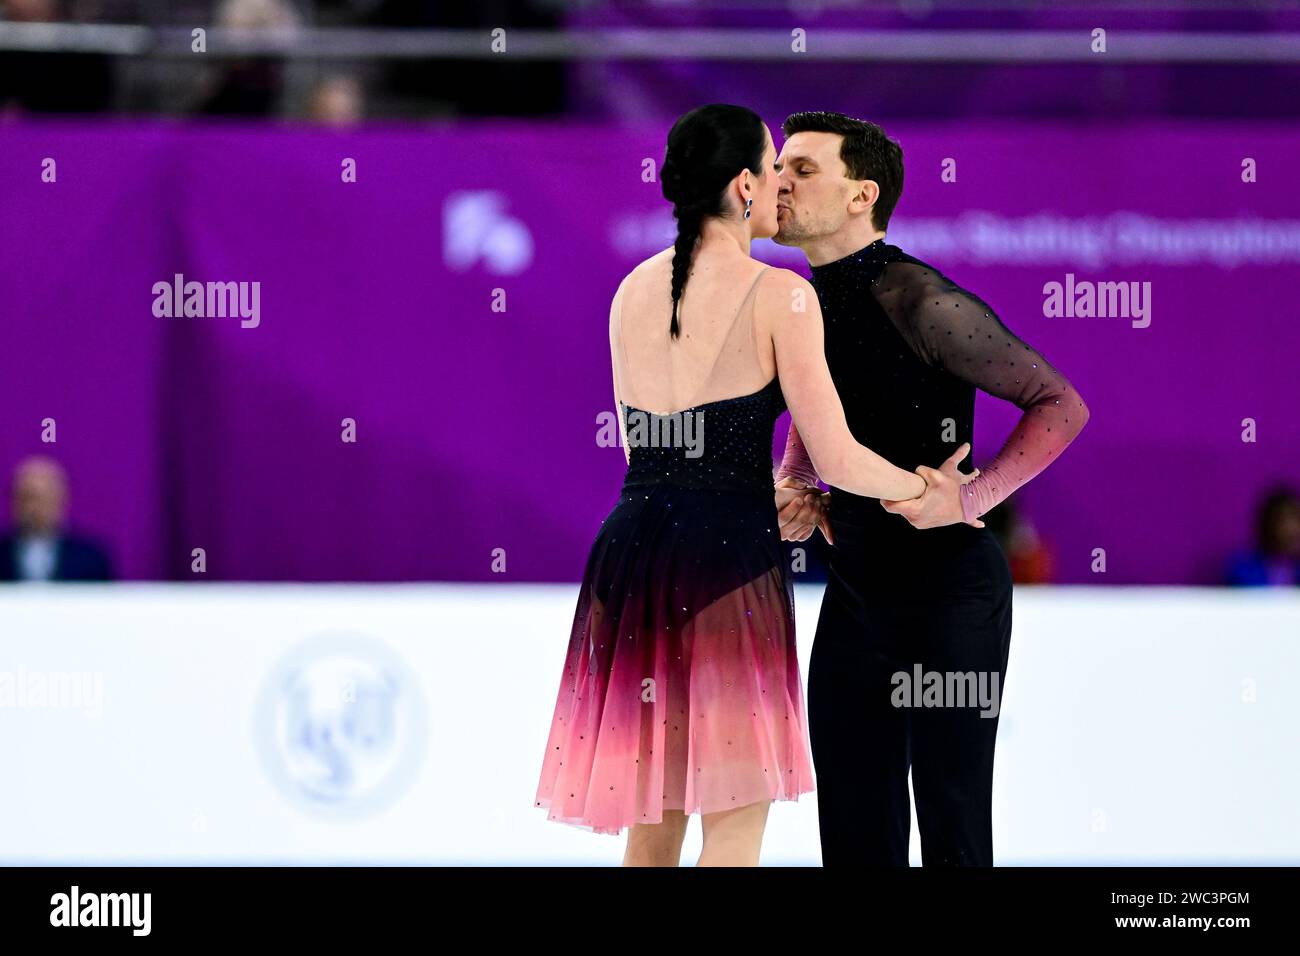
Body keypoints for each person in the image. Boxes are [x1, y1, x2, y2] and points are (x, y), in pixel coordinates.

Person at [534, 104, 973, 866]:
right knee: (735, 823)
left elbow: (658, 455)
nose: (783, 186)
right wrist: (931, 491)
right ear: (743, 185)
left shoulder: (631, 292)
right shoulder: (783, 294)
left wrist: (757, 490)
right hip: (725, 560)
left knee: (653, 819)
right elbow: (834, 456)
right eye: (776, 169)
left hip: (633, 552)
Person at [771, 111, 1089, 866]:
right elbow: (821, 403)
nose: (779, 182)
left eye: (803, 170)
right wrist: (799, 477)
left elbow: (1062, 404)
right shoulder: (800, 302)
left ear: (862, 195)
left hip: (951, 598)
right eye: (779, 167)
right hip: (854, 595)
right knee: (854, 831)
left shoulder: (919, 300)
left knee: (951, 821)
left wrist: (973, 497)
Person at [0, 455, 113, 582]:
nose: (35, 507)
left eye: (43, 498)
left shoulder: (91, 558)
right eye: (27, 497)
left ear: (62, 499)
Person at [1225, 486, 1300, 587]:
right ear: (1269, 524)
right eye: (1284, 521)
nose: (1293, 529)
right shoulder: (1241, 570)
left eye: (1297, 519)